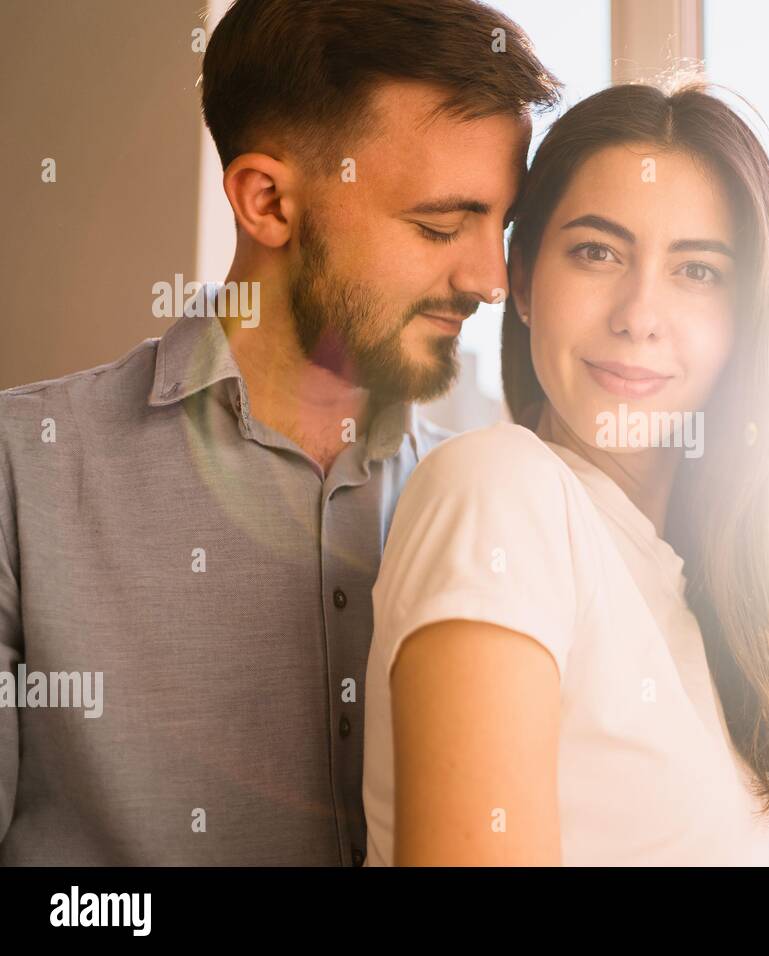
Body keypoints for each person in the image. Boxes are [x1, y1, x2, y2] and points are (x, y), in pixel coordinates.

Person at [0, 0, 560, 865]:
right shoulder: (19, 471)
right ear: (265, 201)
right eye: (441, 226)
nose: (490, 279)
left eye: (501, 227)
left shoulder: (483, 511)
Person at [363, 82, 769, 866]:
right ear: (524, 281)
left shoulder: (704, 589)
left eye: (697, 272)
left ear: (746, 318)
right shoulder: (500, 490)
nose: (640, 313)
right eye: (597, 252)